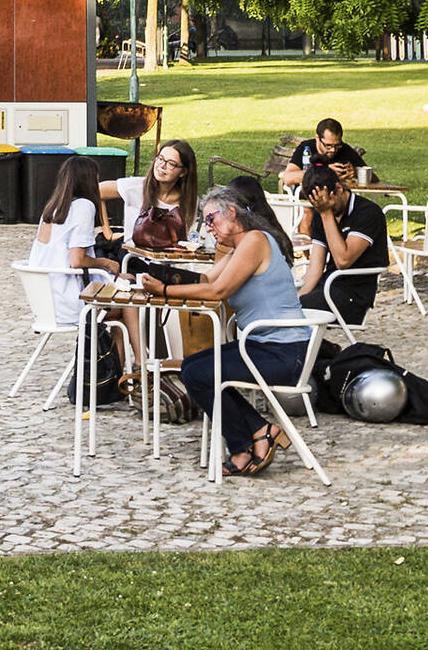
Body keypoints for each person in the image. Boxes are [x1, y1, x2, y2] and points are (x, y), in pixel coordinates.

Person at [139, 184, 312, 476]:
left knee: (197, 373)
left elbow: (218, 290)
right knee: (192, 366)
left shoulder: (256, 240)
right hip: (263, 345)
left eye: (211, 220)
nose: (209, 229)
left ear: (232, 212)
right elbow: (207, 277)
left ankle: (247, 441)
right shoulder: (239, 247)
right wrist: (161, 275)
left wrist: (165, 289)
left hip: (284, 352)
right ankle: (258, 431)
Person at [29, 155, 132, 367]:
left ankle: (118, 373)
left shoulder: (52, 208)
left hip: (47, 300)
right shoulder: (84, 206)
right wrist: (107, 264)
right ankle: (125, 372)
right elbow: (77, 260)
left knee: (122, 287)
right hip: (71, 301)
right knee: (127, 305)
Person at [296, 164, 390, 327]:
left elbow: (343, 261)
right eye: (318, 205)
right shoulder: (321, 211)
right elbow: (314, 272)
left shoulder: (368, 213)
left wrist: (326, 214)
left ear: (339, 188)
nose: (325, 207)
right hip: (327, 287)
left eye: (328, 202)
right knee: (287, 309)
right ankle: (320, 350)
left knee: (299, 311)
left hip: (354, 296)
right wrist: (291, 301)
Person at [100, 139, 199, 250]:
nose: (162, 165)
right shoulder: (136, 186)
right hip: (133, 258)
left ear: (183, 172)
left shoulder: (189, 200)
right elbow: (97, 191)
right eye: (160, 159)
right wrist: (108, 234)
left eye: (171, 164)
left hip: (168, 261)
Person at [279, 118, 365, 189]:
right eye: (328, 145)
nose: (333, 150)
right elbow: (288, 177)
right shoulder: (306, 148)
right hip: (308, 199)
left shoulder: (344, 149)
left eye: (337, 145)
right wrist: (325, 171)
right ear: (317, 138)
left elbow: (373, 179)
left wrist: (357, 172)